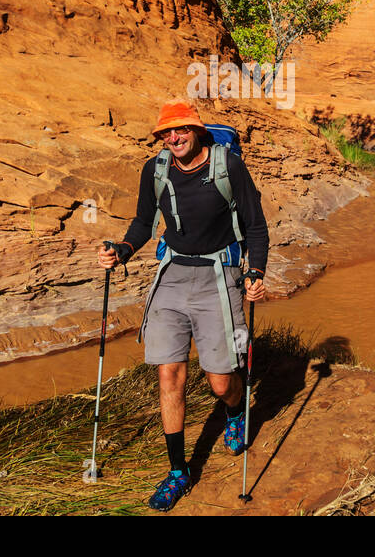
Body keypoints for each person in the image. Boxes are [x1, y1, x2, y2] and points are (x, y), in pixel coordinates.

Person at [98, 98, 268, 512]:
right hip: (171, 276)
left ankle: (233, 414)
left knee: (220, 382)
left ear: (197, 131)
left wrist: (256, 272)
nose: (173, 139)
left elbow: (256, 226)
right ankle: (178, 472)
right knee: (169, 377)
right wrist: (122, 249)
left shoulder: (229, 167)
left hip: (218, 277)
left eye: (181, 131)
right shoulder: (155, 170)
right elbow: (143, 222)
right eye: (165, 133)